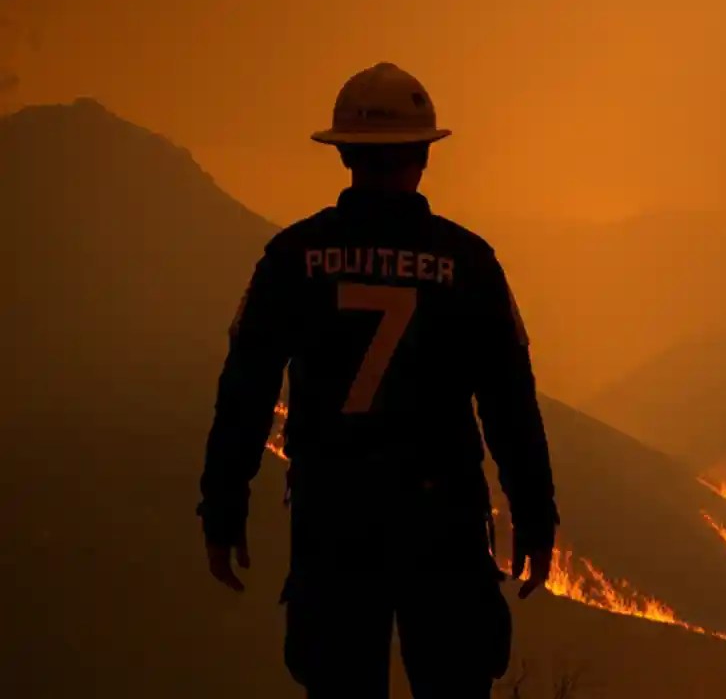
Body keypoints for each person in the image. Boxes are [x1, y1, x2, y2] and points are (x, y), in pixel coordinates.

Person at [197, 62, 558, 698]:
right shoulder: (468, 262)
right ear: (425, 154)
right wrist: (534, 515)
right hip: (442, 522)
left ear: (343, 157)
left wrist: (223, 506)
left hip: (334, 520)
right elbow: (509, 403)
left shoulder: (290, 259)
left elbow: (245, 391)